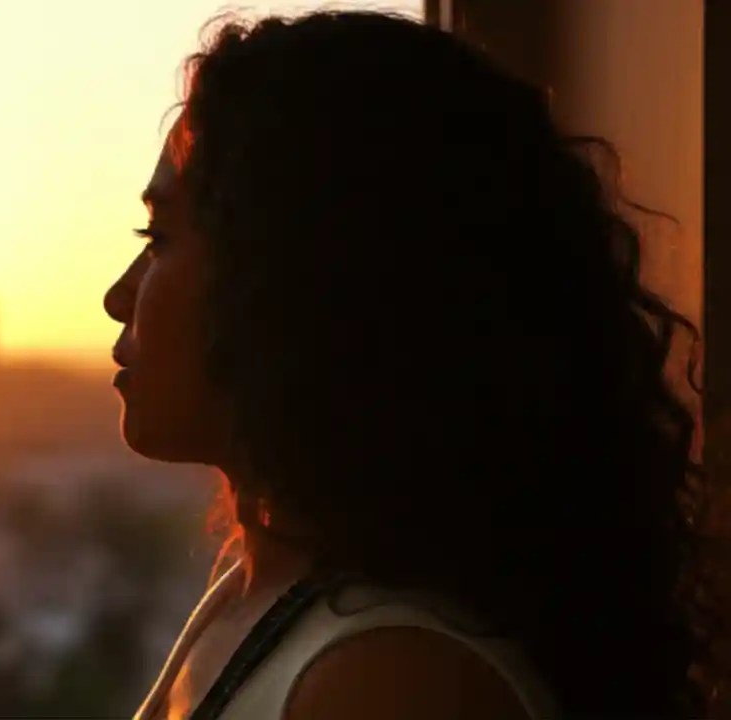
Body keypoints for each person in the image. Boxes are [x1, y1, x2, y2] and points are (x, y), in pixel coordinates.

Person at [102, 10, 721, 720]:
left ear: (300, 286)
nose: (119, 296)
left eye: (159, 237)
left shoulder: (384, 680)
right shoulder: (261, 599)